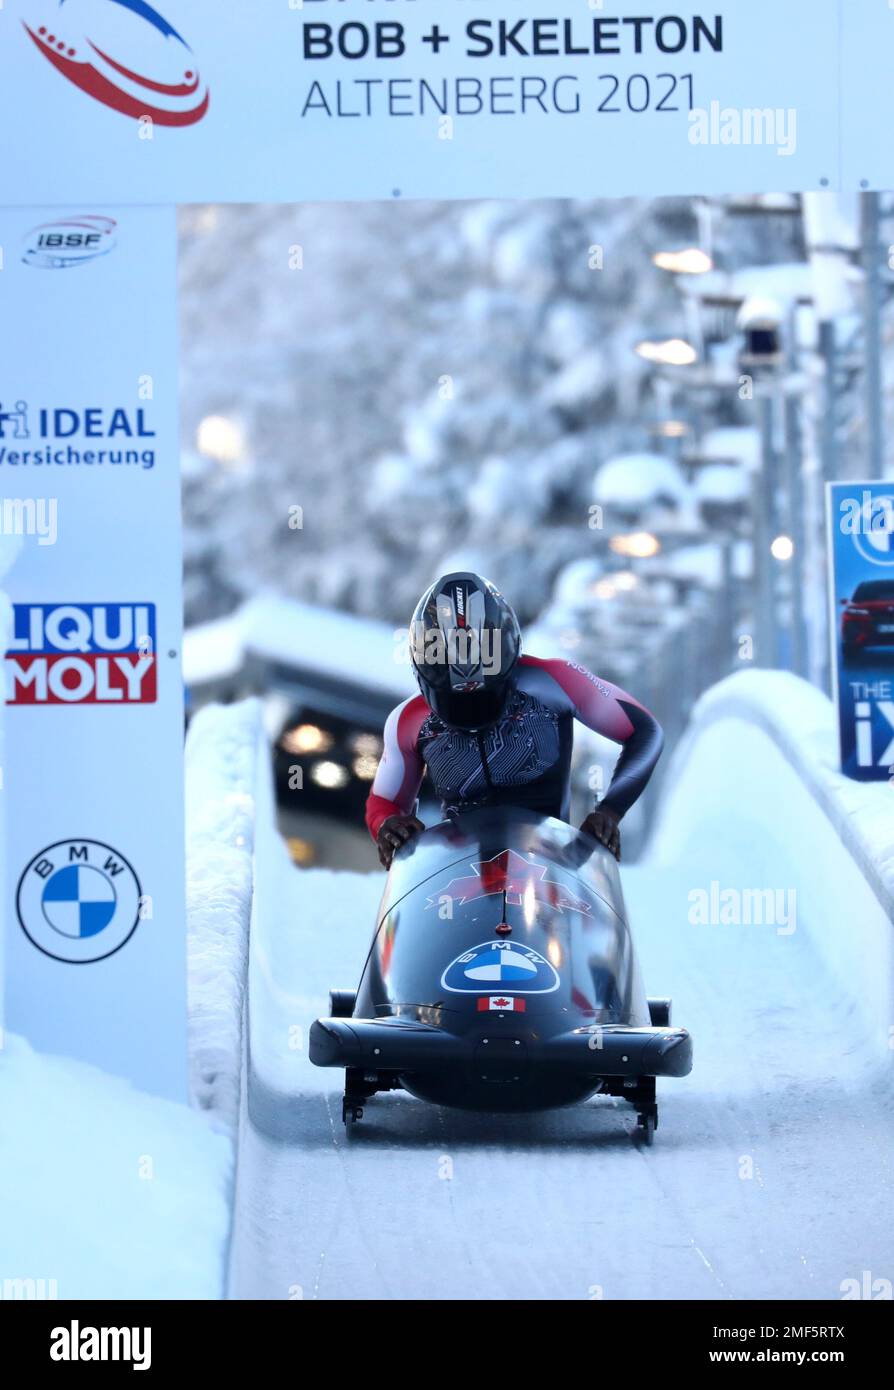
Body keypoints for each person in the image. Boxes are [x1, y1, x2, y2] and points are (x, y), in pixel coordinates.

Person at [366, 572, 664, 868]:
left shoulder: (556, 681)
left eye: (485, 696)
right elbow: (384, 803)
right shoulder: (407, 721)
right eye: (455, 701)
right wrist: (388, 825)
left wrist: (609, 812)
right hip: (461, 878)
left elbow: (644, 731)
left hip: (547, 871)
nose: (472, 713)